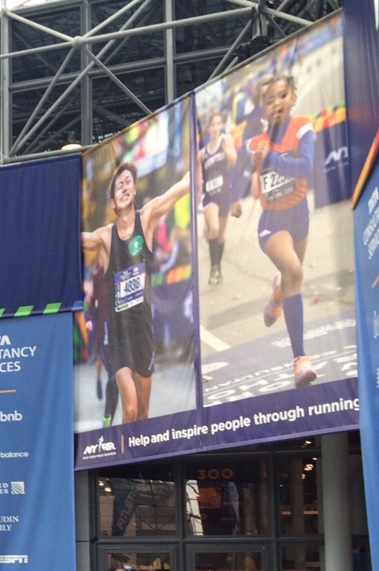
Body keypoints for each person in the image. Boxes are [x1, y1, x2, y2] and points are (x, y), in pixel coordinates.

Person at [81, 162, 191, 423]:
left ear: (134, 190)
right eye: (119, 185)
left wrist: (195, 169)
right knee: (129, 409)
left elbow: (178, 190)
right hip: (118, 336)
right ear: (113, 203)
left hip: (143, 332)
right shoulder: (105, 237)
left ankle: (133, 451)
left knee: (143, 414)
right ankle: (121, 450)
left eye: (128, 182)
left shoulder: (147, 218)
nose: (124, 186)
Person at [230, 75, 317, 388]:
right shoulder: (254, 144)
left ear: (293, 98)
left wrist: (272, 158)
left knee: (291, 277)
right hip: (272, 223)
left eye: (282, 96)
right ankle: (300, 360)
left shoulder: (303, 128)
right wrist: (234, 198)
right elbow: (237, 170)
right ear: (263, 110)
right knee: (294, 270)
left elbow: (306, 167)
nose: (277, 103)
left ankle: (278, 293)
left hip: (300, 217)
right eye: (269, 100)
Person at [199, 109, 237, 284]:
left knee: (220, 235)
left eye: (218, 124)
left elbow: (234, 160)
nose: (216, 127)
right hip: (210, 197)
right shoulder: (202, 154)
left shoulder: (226, 140)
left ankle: (217, 268)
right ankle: (214, 268)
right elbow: (199, 178)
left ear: (221, 125)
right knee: (213, 229)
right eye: (213, 124)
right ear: (209, 128)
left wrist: (226, 150)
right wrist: (198, 195)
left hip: (224, 194)